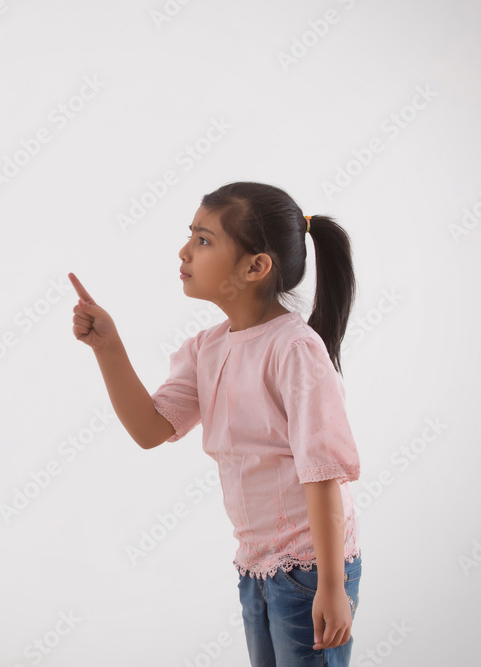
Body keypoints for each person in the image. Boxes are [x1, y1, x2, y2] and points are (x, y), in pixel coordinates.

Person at [69, 181, 362, 666]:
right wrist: (108, 346)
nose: (184, 250)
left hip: (310, 566)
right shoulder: (209, 347)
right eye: (191, 235)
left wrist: (331, 587)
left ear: (255, 267)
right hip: (255, 564)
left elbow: (323, 472)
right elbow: (151, 429)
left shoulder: (294, 349)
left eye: (203, 240)